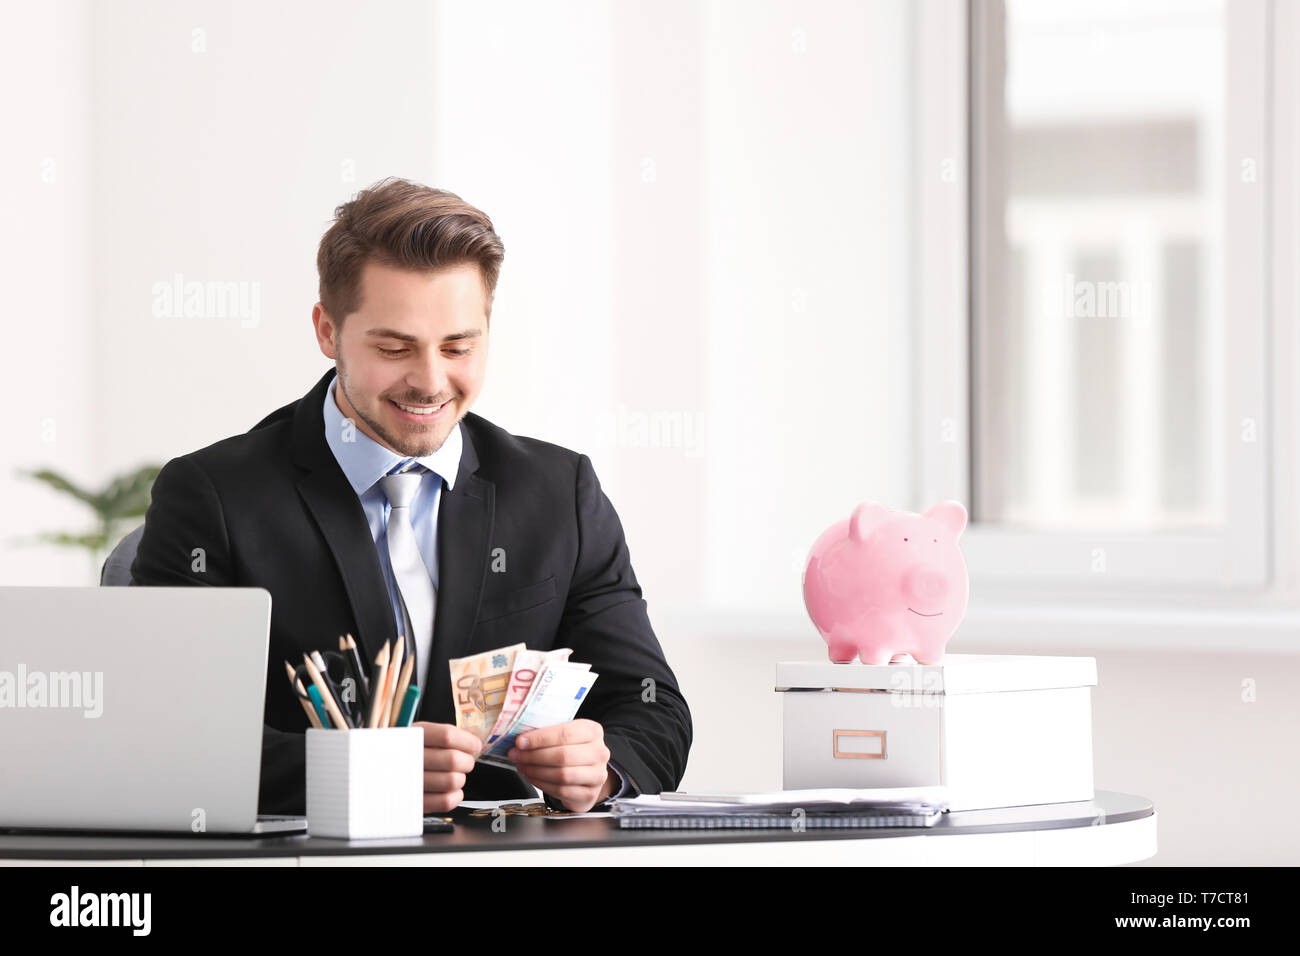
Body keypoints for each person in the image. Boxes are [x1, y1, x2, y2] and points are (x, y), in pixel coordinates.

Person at [129, 177, 692, 815]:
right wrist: (364, 771)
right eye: (394, 348)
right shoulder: (214, 496)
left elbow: (653, 708)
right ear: (326, 331)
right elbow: (171, 738)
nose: (429, 382)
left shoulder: (559, 492)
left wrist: (604, 766)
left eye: (458, 347)